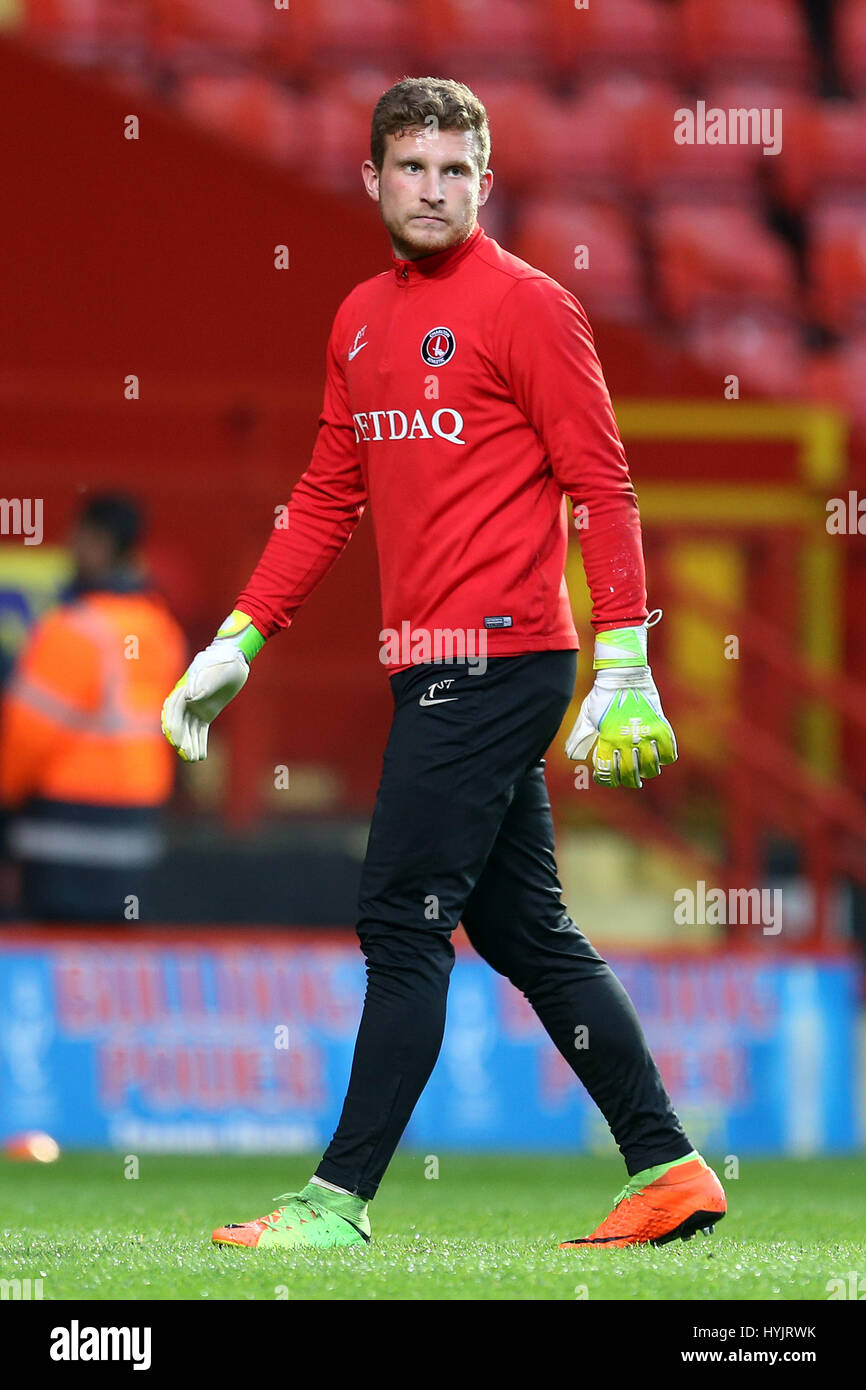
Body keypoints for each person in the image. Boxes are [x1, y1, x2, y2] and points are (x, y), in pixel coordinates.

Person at [162, 77, 726, 1251]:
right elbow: (326, 496)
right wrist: (239, 636)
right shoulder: (358, 317)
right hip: (431, 671)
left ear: (486, 180)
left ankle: (334, 1202)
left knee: (399, 923)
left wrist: (623, 650)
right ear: (370, 178)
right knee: (525, 933)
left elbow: (601, 487)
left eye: (455, 170)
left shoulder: (530, 308)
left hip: (500, 662)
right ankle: (667, 1166)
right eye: (411, 168)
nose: (433, 190)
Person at [0, 493, 185, 921]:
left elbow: (25, 741)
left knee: (57, 959)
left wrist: (5, 806)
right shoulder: (162, 631)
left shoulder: (71, 631)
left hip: (60, 834)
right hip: (135, 834)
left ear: (98, 542)